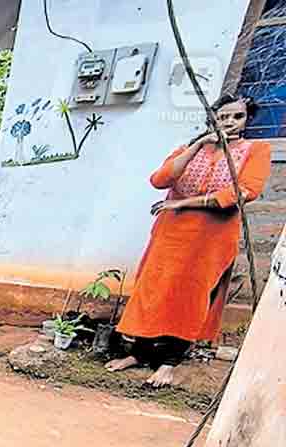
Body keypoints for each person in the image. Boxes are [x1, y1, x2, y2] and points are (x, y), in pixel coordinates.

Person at [105, 95, 272, 387]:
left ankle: (169, 363)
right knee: (154, 290)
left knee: (192, 296)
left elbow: (244, 191)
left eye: (237, 116)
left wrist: (183, 204)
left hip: (213, 237)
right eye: (223, 116)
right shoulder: (188, 148)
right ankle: (139, 353)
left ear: (247, 120)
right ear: (212, 119)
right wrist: (198, 145)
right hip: (171, 234)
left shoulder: (256, 150)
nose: (230, 122)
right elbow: (160, 180)